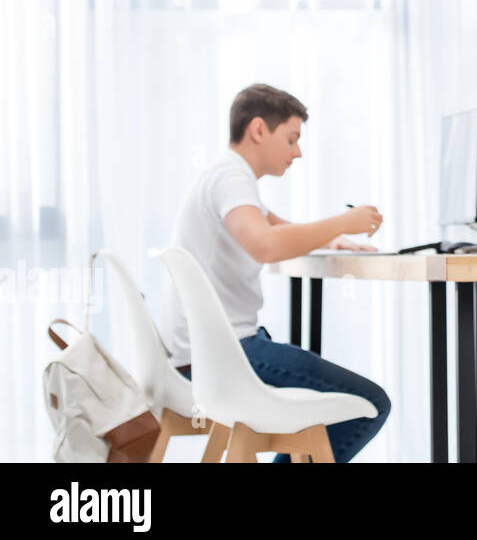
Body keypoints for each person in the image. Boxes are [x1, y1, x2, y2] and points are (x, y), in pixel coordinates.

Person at [160, 83, 391, 463]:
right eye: (292, 138)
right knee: (370, 403)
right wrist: (344, 220)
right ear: (258, 130)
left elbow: (274, 226)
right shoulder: (231, 179)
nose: (297, 152)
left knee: (328, 402)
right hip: (228, 357)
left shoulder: (227, 177)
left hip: (209, 355)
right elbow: (266, 244)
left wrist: (334, 238)